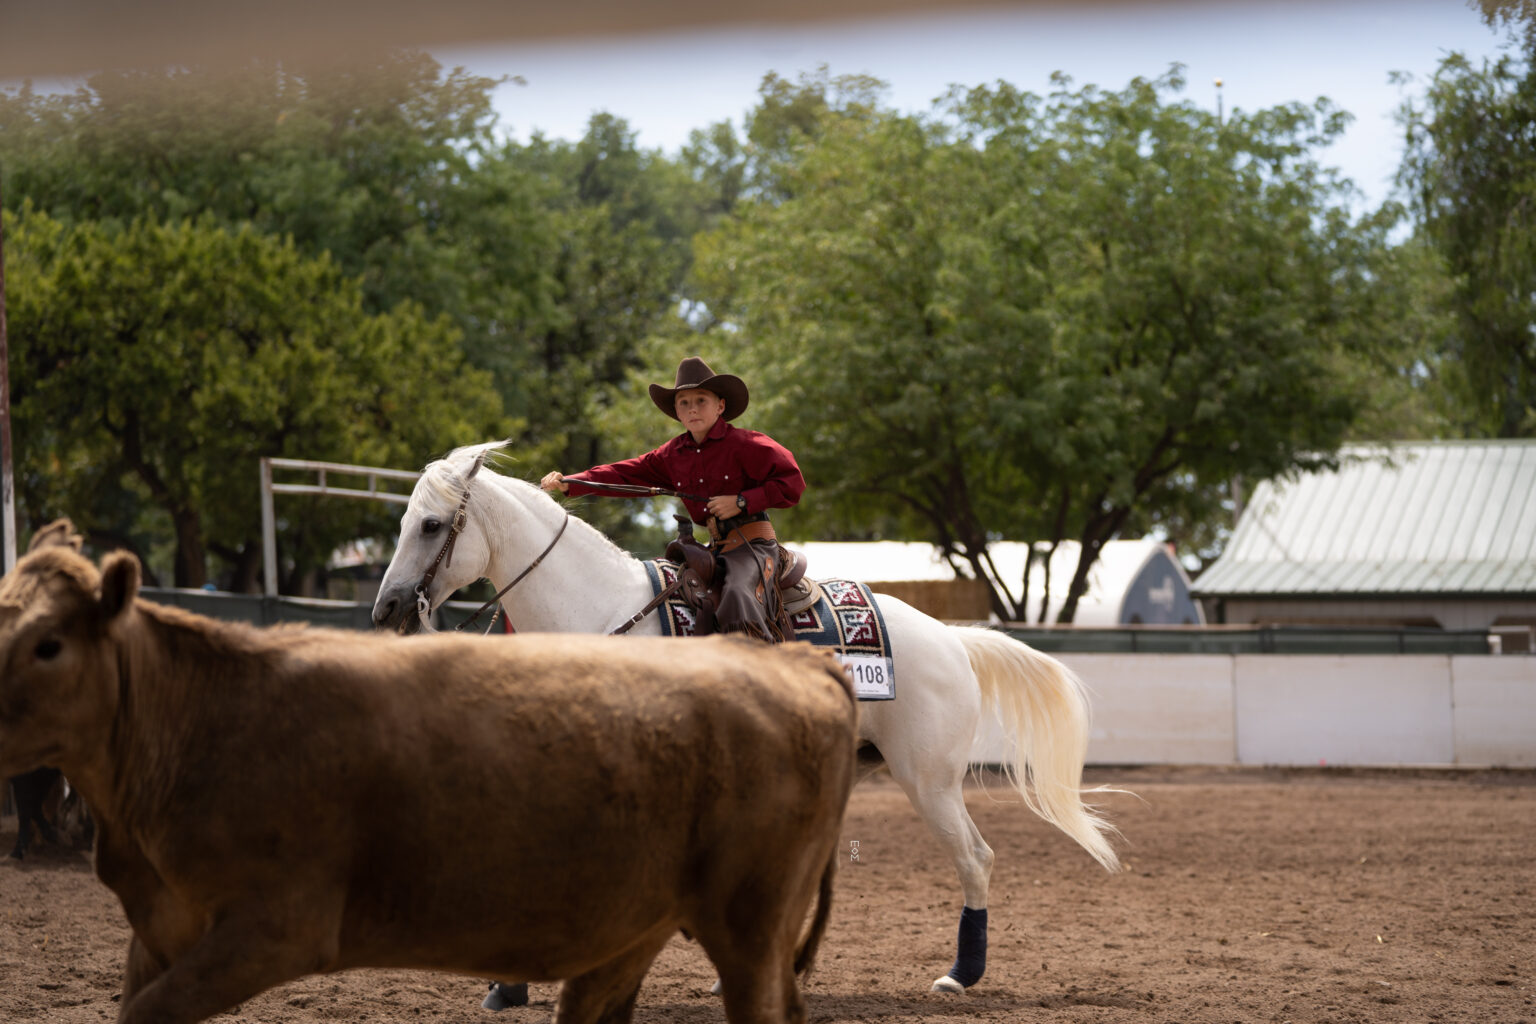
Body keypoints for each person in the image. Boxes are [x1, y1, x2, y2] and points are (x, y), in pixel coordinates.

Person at [541, 356, 805, 641]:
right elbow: (624, 474)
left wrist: (741, 502)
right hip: (713, 549)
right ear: (677, 412)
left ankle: (758, 664)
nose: (692, 409)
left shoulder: (747, 444)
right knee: (663, 592)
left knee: (737, 597)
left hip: (753, 546)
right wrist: (571, 482)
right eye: (684, 403)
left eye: (701, 400)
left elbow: (792, 482)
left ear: (720, 406)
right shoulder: (672, 454)